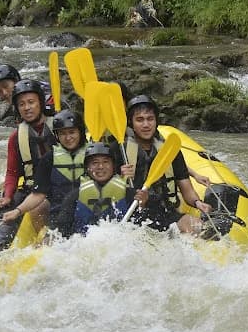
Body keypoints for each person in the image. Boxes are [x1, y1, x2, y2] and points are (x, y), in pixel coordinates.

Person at [120, 95, 212, 233]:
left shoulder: (170, 151)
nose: (146, 125)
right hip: (130, 215)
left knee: (203, 229)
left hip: (164, 212)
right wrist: (119, 176)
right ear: (131, 123)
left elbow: (186, 188)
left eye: (150, 119)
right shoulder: (120, 150)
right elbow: (104, 189)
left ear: (156, 121)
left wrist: (197, 203)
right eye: (140, 120)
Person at [1, 109, 88, 227]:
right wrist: (17, 211)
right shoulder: (49, 158)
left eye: (72, 132)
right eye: (62, 133)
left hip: (88, 214)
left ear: (80, 132)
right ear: (57, 136)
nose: (68, 138)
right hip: (59, 217)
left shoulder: (93, 156)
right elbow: (38, 194)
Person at [0, 79, 57, 232]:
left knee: (39, 209)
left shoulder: (60, 128)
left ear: (40, 103)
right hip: (32, 189)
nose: (27, 108)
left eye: (31, 102)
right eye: (22, 104)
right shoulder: (15, 138)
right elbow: (12, 173)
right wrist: (8, 196)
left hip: (59, 186)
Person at [54, 142, 135, 238]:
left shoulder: (130, 195)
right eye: (95, 163)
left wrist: (143, 203)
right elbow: (62, 231)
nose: (100, 166)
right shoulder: (74, 197)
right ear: (87, 168)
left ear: (114, 166)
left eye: (105, 162)